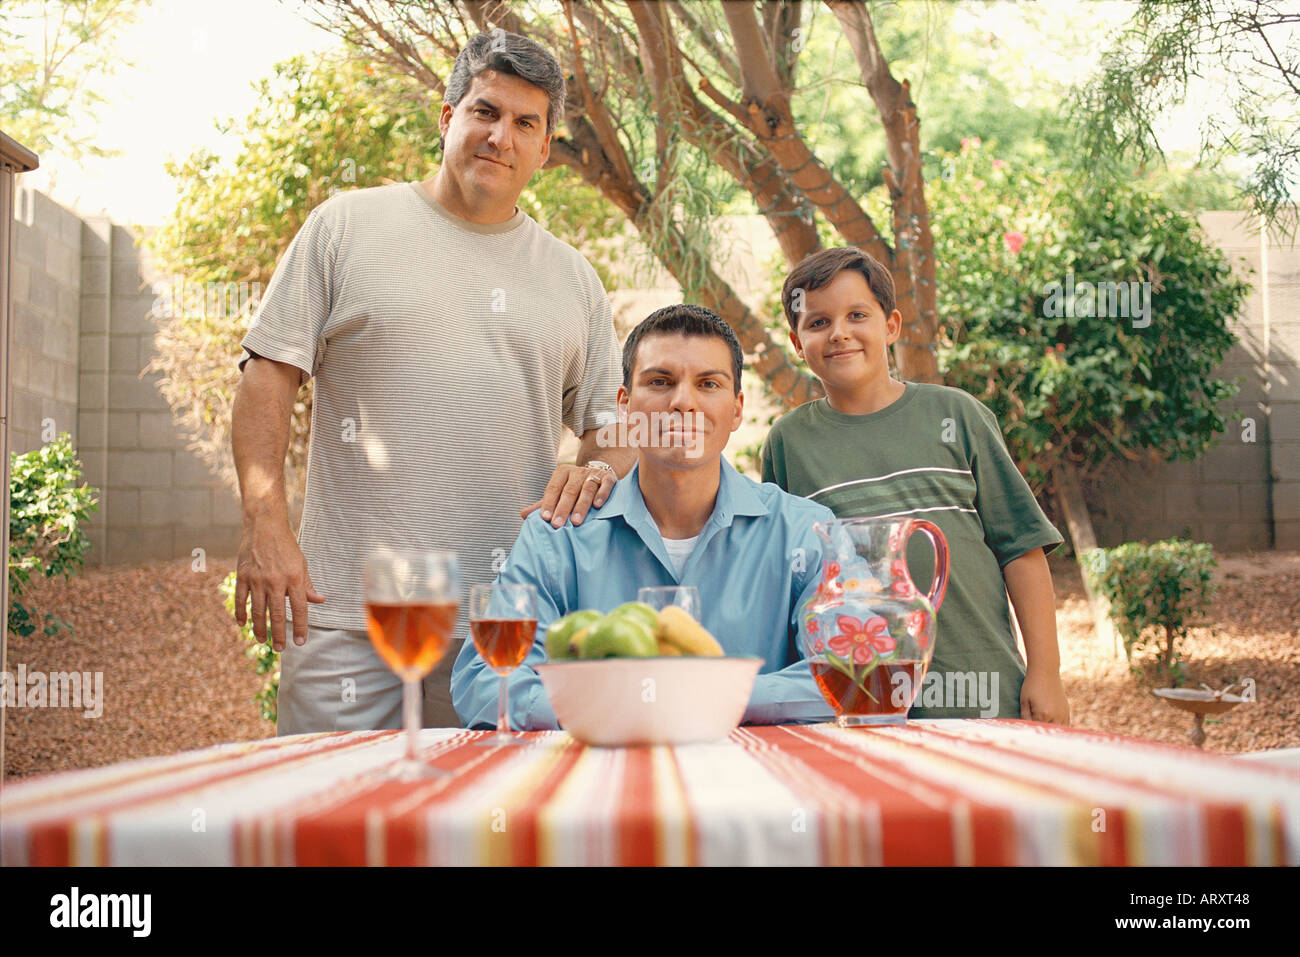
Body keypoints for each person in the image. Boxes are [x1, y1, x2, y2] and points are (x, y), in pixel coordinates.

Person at [232, 29, 634, 735]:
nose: (500, 136)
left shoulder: (573, 279)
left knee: (482, 834)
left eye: (525, 123)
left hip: (503, 624)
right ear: (447, 117)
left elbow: (613, 433)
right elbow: (268, 375)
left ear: (544, 149)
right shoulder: (345, 228)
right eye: (485, 111)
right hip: (344, 620)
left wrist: (593, 469)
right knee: (329, 829)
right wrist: (264, 520)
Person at [450, 305, 837, 729]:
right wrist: (633, 708)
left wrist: (699, 697)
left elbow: (855, 672)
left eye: (708, 384)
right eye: (660, 382)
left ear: (737, 409)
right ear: (625, 406)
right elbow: (486, 682)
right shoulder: (557, 535)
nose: (683, 402)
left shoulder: (807, 533)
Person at [760, 246, 1071, 723]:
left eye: (857, 315)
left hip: (983, 691)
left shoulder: (957, 416)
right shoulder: (789, 443)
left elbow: (1021, 549)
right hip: (859, 704)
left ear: (891, 326)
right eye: (818, 323)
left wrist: (1045, 674)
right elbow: (790, 580)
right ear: (797, 343)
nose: (839, 333)